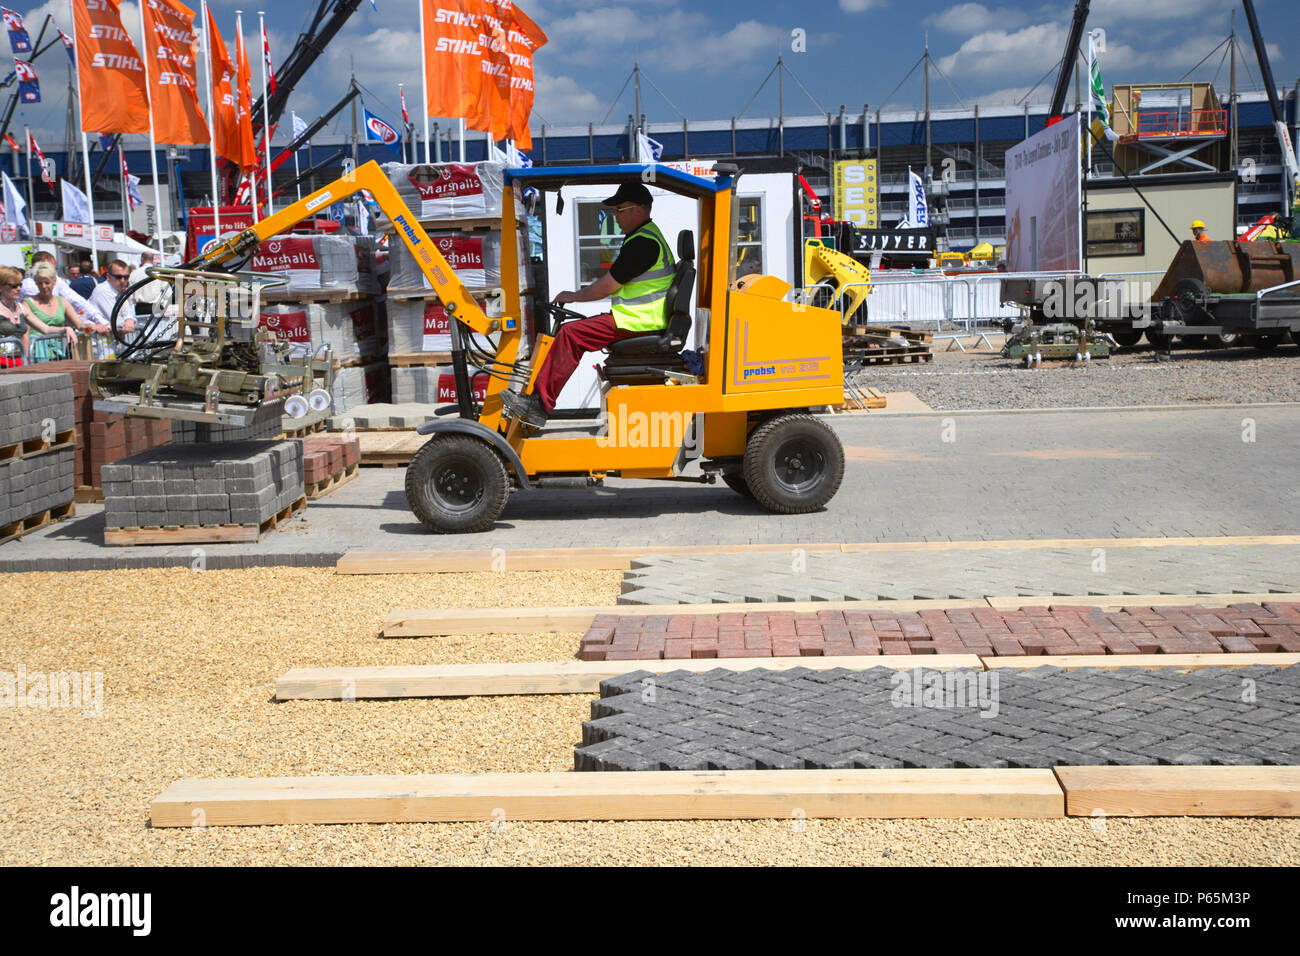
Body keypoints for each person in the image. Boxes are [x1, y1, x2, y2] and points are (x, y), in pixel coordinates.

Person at [500, 182, 674, 427]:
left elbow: (607, 286)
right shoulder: (644, 237)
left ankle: (539, 406)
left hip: (639, 320)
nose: (615, 215)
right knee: (573, 332)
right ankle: (537, 401)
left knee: (571, 334)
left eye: (619, 210)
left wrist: (573, 295)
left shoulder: (643, 243)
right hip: (638, 317)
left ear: (638, 209)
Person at [25, 262, 97, 360]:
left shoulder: (62, 301)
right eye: (39, 283)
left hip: (58, 352)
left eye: (47, 282)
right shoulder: (28, 303)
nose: (43, 286)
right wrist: (26, 358)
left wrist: (94, 328)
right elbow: (25, 333)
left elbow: (80, 325)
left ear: (54, 281)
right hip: (37, 353)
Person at [21, 251, 107, 325]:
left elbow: (78, 301)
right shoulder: (28, 286)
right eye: (49, 268)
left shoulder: (57, 281)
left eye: (54, 268)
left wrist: (101, 321)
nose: (44, 286)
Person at [0, 265, 39, 367]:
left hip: (18, 362)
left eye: (20, 285)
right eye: (14, 286)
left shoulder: (22, 308)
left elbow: (46, 329)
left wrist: (65, 329)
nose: (18, 288)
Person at [88, 260, 137, 336]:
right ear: (108, 276)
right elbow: (116, 321)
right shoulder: (103, 291)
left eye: (126, 277)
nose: (122, 280)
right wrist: (128, 323)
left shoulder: (120, 291)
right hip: (101, 341)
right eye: (118, 277)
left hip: (113, 340)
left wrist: (130, 320)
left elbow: (128, 314)